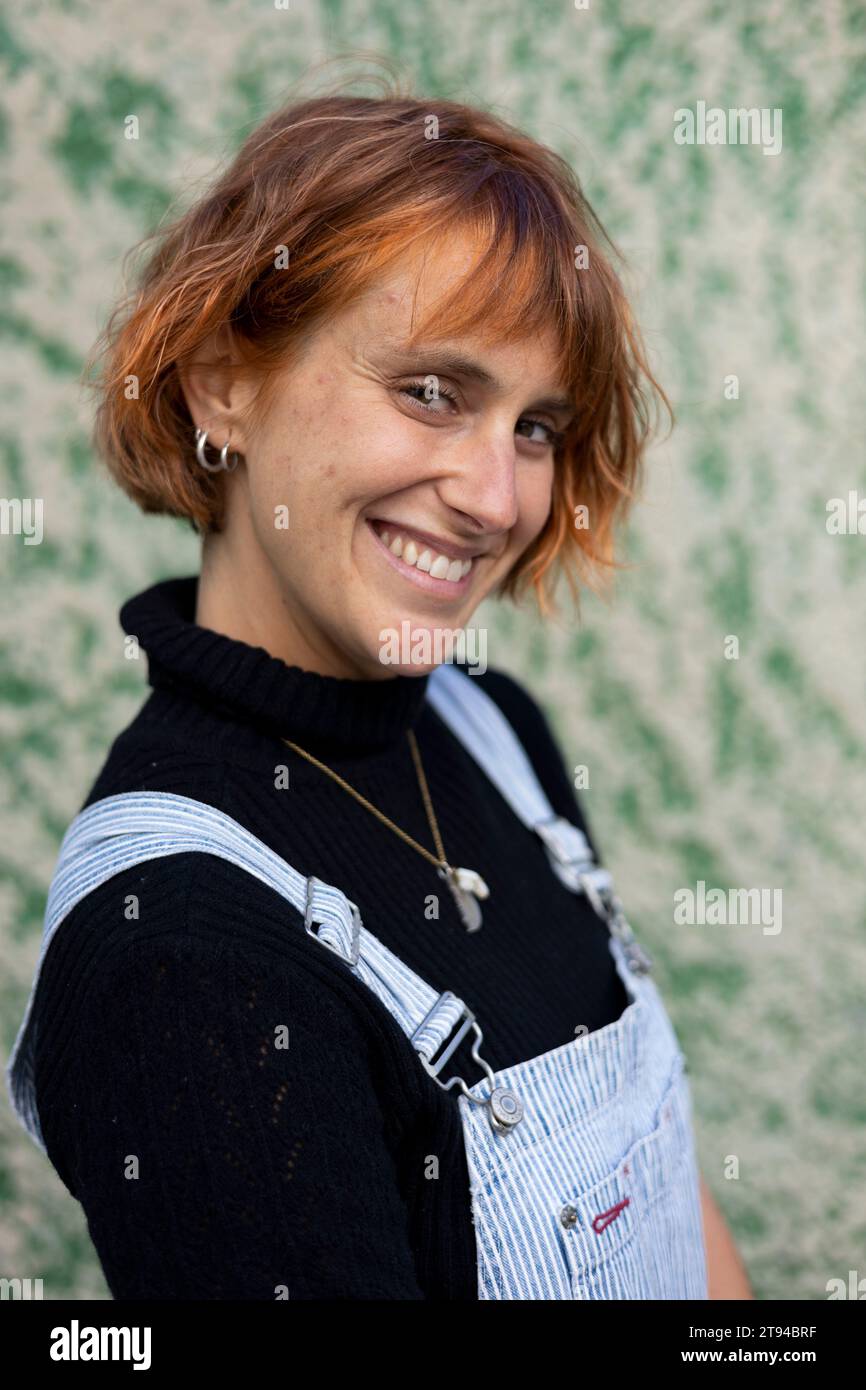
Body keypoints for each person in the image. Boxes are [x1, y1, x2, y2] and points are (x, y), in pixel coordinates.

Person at [7, 88, 752, 1300]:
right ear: (219, 386)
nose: (497, 499)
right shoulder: (185, 953)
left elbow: (677, 1204)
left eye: (535, 425)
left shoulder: (496, 729)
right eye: (431, 392)